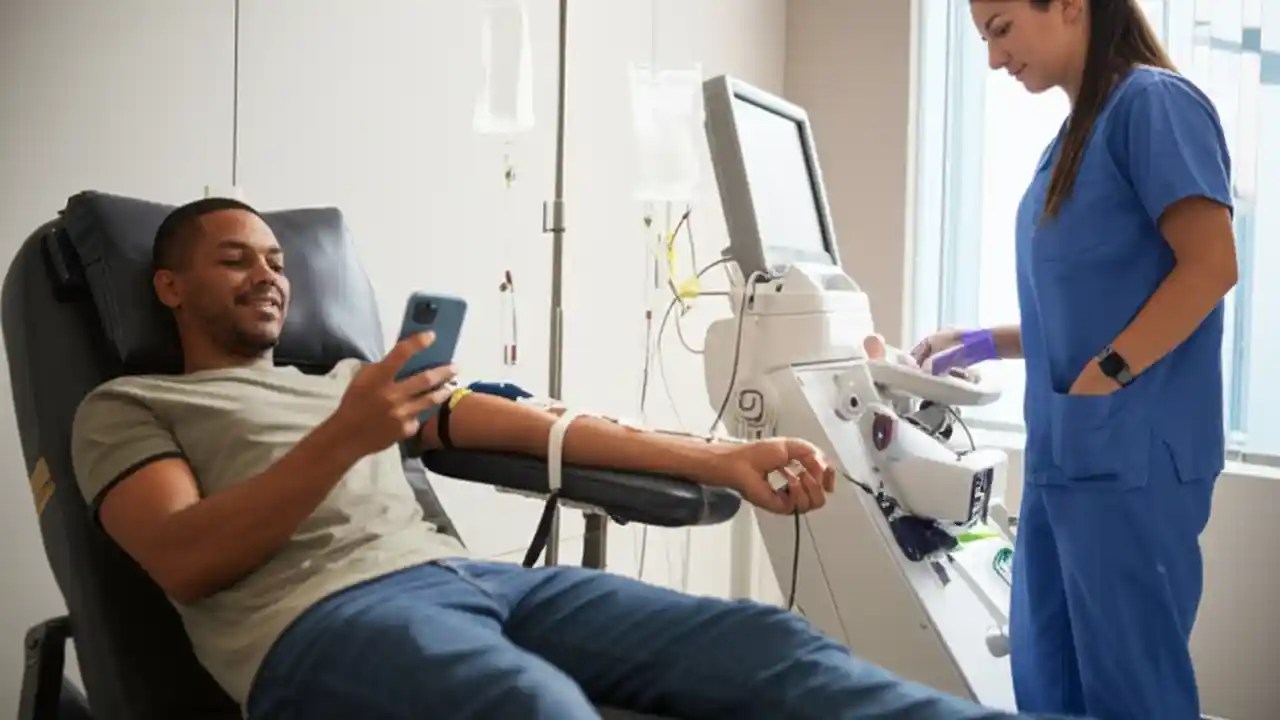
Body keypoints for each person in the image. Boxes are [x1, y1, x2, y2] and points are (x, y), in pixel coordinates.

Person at [70, 197, 1060, 720]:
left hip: (468, 581)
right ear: (166, 285)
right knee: (529, 709)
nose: (268, 276)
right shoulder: (131, 404)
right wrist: (348, 436)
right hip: (315, 627)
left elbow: (541, 425)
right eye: (234, 259)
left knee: (766, 645)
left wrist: (722, 458)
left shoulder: (344, 381)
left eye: (277, 261)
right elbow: (184, 556)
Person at [913, 2, 1237, 719]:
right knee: (1047, 683)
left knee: (1130, 695)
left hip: (1128, 457)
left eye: (1000, 29)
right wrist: (981, 341)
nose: (995, 59)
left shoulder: (1153, 105)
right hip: (1070, 457)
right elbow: (1092, 305)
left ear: (1067, 7)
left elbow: (1210, 266)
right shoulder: (1072, 137)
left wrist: (1107, 377)